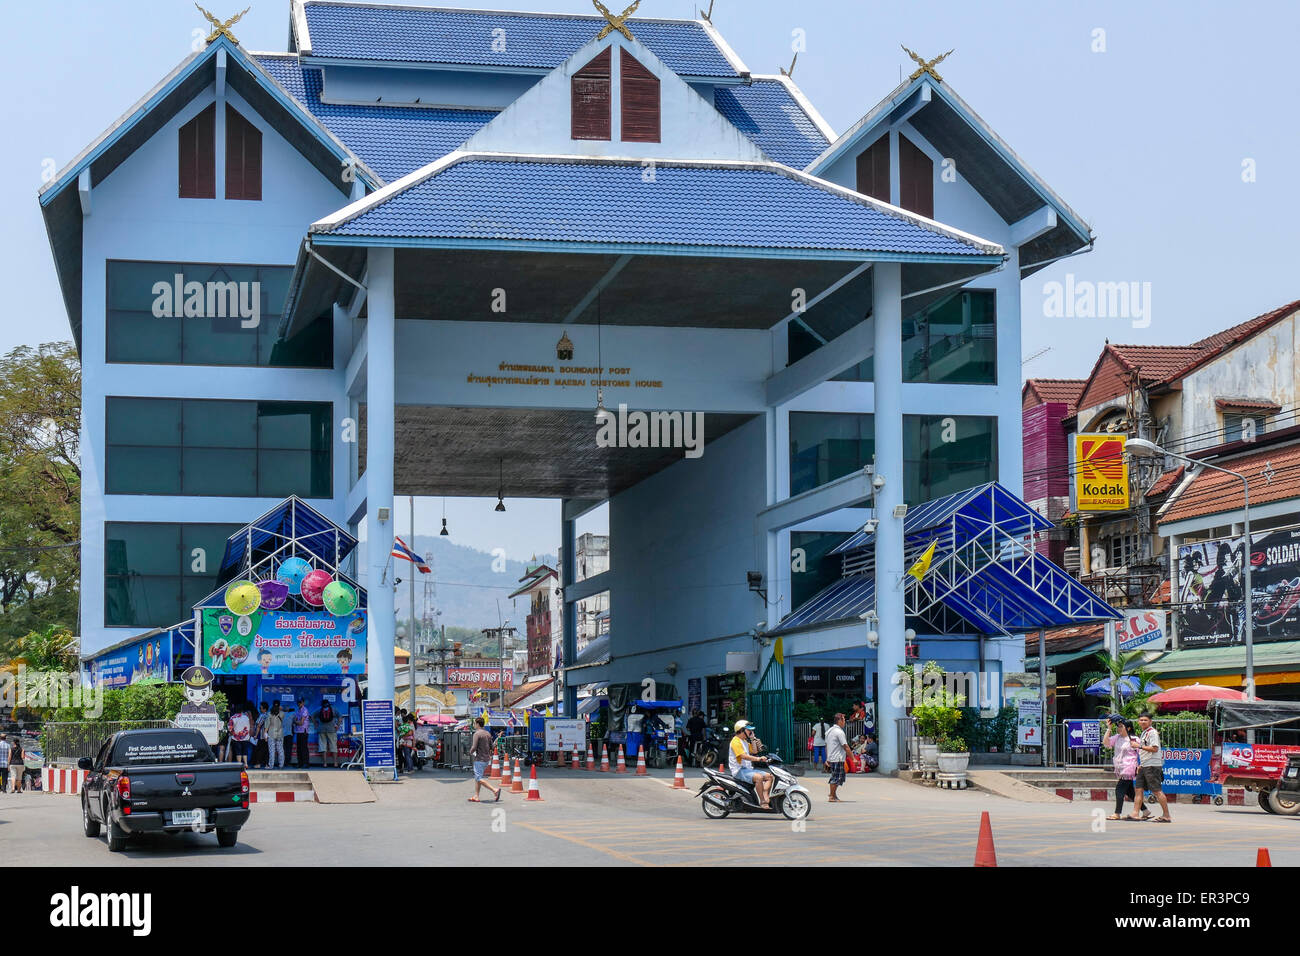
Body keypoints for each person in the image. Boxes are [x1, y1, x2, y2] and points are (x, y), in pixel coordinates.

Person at [1130, 712, 1172, 823]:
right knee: (1138, 789)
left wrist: (1138, 746)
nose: (1143, 722)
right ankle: (1135, 813)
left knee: (1157, 791)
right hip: (1144, 765)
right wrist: (1140, 764)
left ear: (1150, 721)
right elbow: (1145, 751)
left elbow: (1154, 748)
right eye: (1141, 720)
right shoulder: (1145, 733)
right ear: (1138, 722)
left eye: (1145, 720)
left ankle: (1166, 815)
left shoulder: (1152, 733)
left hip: (1152, 765)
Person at [728, 719, 772, 809]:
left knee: (770, 777)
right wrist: (758, 759)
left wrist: (753, 739)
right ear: (741, 730)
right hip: (739, 770)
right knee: (759, 778)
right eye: (749, 730)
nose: (751, 732)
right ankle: (762, 801)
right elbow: (743, 756)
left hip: (748, 769)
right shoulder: (735, 742)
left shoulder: (744, 741)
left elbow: (755, 751)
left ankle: (765, 795)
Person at [1104, 717, 1139, 820]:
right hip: (1120, 767)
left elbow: (1141, 752)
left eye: (1121, 726)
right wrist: (1108, 729)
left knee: (1119, 789)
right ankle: (1145, 810)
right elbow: (1106, 743)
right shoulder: (1117, 737)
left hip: (1129, 768)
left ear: (1128, 728)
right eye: (1118, 726)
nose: (1119, 728)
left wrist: (1139, 766)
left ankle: (1117, 813)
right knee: (1130, 792)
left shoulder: (1134, 739)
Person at [467, 717, 501, 802]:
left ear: (477, 724)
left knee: (478, 778)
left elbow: (474, 747)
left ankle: (494, 790)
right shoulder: (487, 733)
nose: (474, 725)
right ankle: (476, 796)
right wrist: (497, 740)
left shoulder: (477, 734)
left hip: (479, 759)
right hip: (487, 759)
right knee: (477, 778)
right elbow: (492, 747)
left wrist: (470, 752)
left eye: (474, 723)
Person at [825, 712, 849, 803]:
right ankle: (831, 796)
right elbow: (845, 746)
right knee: (836, 777)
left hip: (833, 758)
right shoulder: (839, 732)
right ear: (839, 720)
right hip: (838, 758)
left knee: (838, 777)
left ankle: (833, 795)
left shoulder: (829, 731)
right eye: (844, 720)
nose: (844, 722)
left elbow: (826, 746)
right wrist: (853, 758)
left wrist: (827, 758)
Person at [316, 698, 339, 769]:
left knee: (323, 747)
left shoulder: (319, 709)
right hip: (332, 730)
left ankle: (325, 763)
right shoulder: (333, 709)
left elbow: (312, 716)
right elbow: (340, 717)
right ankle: (335, 763)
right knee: (333, 746)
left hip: (321, 730)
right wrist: (338, 725)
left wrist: (315, 724)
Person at [266, 702, 285, 769]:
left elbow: (267, 725)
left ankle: (271, 765)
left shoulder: (269, 714)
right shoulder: (282, 713)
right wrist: (281, 708)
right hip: (280, 734)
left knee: (271, 750)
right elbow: (283, 710)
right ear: (279, 706)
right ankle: (281, 765)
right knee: (280, 750)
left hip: (271, 733)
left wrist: (265, 733)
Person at [293, 698, 311, 768]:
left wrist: (296, 722)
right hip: (298, 731)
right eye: (298, 702)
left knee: (304, 748)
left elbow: (301, 722)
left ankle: (306, 763)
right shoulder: (298, 710)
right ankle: (300, 763)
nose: (299, 704)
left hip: (303, 731)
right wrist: (296, 721)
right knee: (299, 748)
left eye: (300, 702)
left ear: (303, 702)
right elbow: (296, 720)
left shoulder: (305, 710)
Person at [252, 702, 270, 769]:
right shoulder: (268, 715)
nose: (260, 709)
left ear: (265, 709)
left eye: (261, 708)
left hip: (262, 735)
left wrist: (256, 735)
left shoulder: (263, 715)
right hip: (267, 736)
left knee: (259, 751)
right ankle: (266, 764)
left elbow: (259, 726)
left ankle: (258, 764)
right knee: (266, 750)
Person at [283, 701, 296, 767]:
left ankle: (283, 762)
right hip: (289, 734)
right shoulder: (292, 714)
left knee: (283, 749)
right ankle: (287, 762)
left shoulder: (281, 714)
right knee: (288, 749)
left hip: (282, 734)